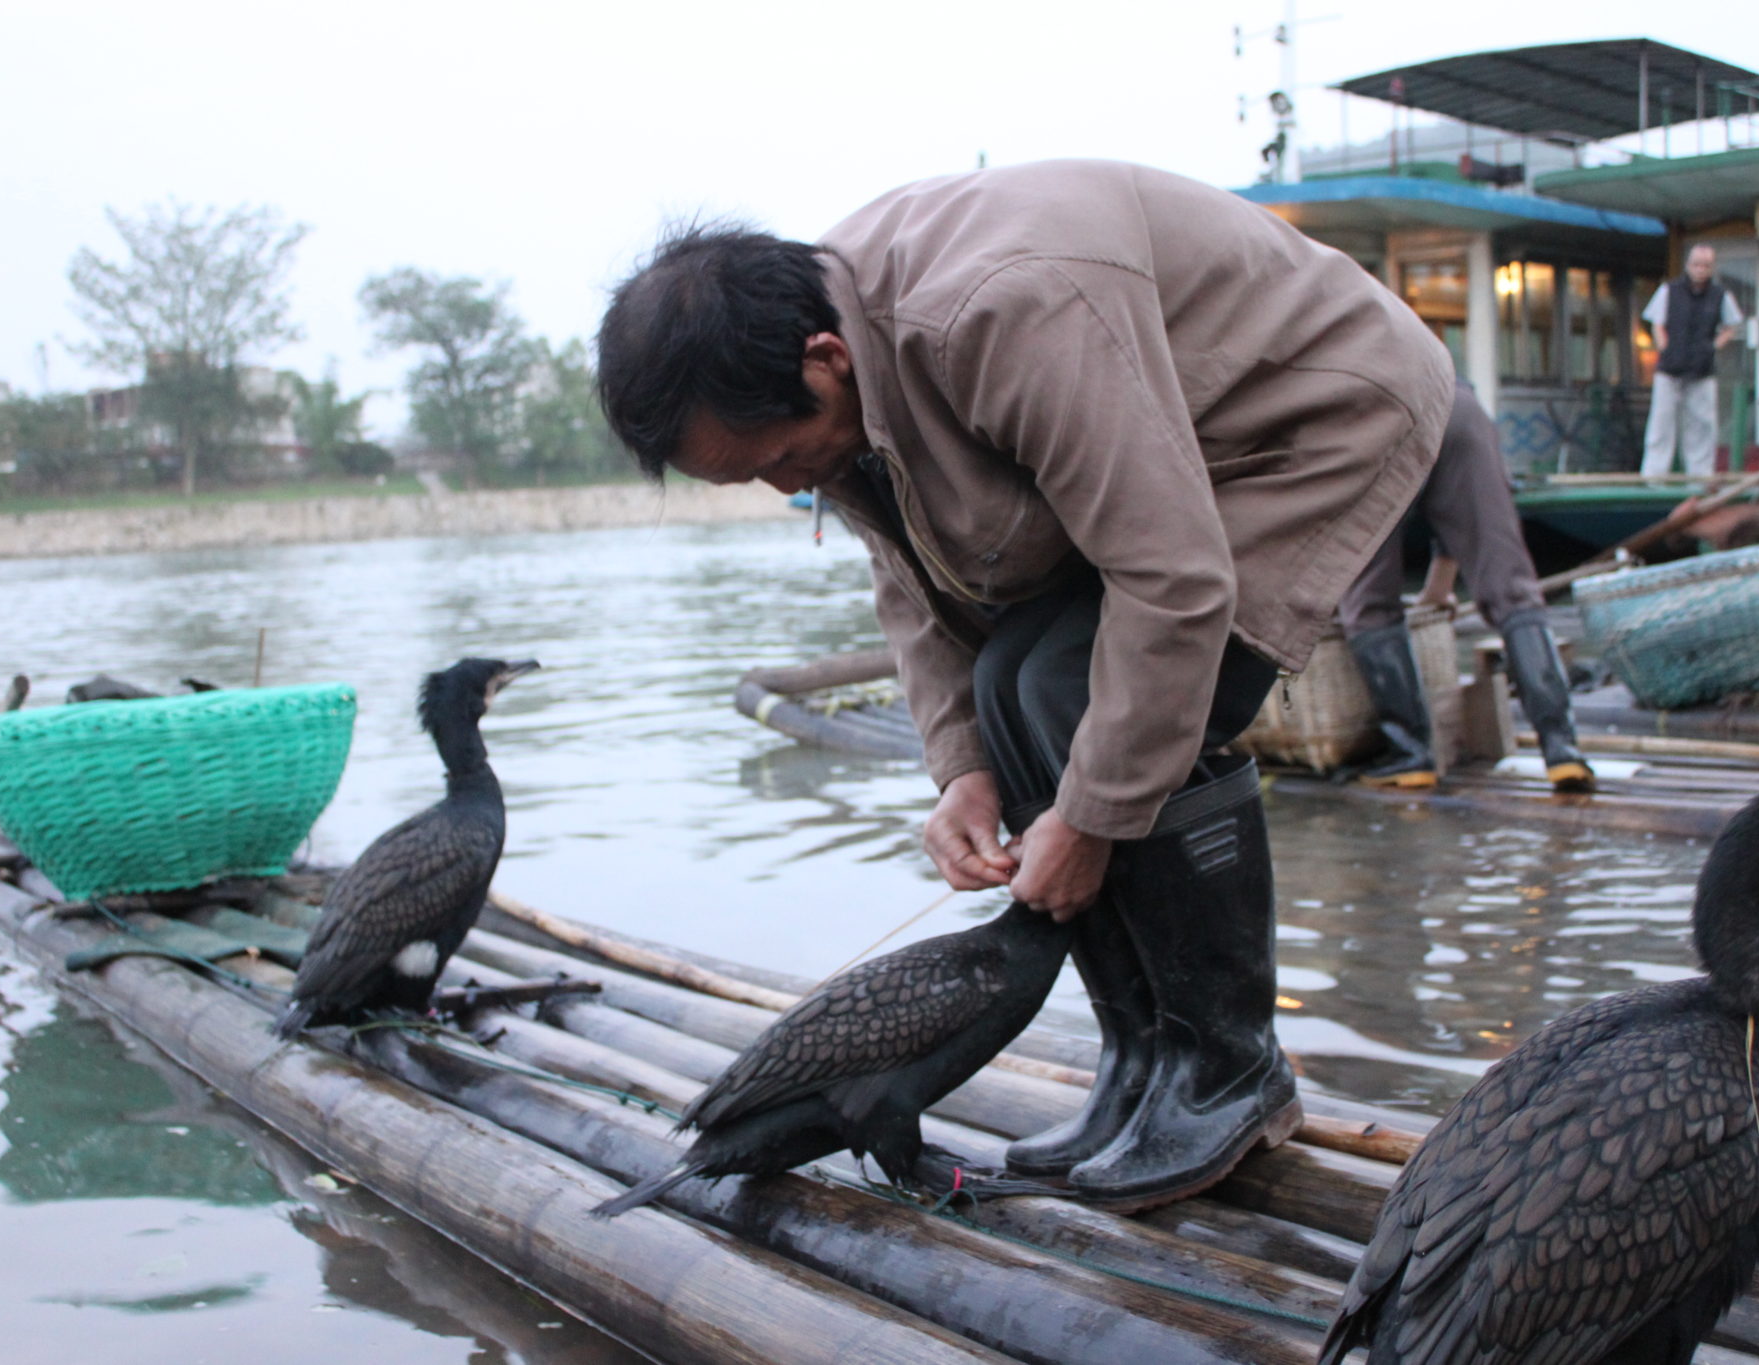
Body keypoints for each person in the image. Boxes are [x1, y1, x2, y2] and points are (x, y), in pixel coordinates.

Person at [595, 159, 1455, 1210]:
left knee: (1068, 688)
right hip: (1168, 440)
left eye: (779, 459)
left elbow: (1173, 581)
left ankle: (1227, 1069)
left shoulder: (1000, 309)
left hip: (1306, 413)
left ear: (824, 360)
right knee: (1012, 686)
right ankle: (1143, 1064)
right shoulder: (826, 364)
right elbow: (912, 583)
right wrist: (959, 772)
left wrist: (1090, 817)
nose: (786, 483)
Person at [1339, 382, 1594, 794]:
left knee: (1367, 599)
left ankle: (1411, 756)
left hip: (1376, 415)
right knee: (1511, 587)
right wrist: (1439, 586)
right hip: (1456, 403)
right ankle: (1562, 749)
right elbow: (1458, 514)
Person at [1640, 244, 1743, 478]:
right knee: (1660, 424)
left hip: (1702, 369)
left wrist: (1714, 346)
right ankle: (1654, 477)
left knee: (1702, 425)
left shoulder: (1720, 295)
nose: (1700, 270)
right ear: (1688, 265)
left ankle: (1700, 477)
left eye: (1706, 265)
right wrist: (1664, 345)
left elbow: (1732, 326)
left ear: (1712, 268)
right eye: (1697, 264)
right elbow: (1656, 321)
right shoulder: (1669, 290)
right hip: (1669, 368)